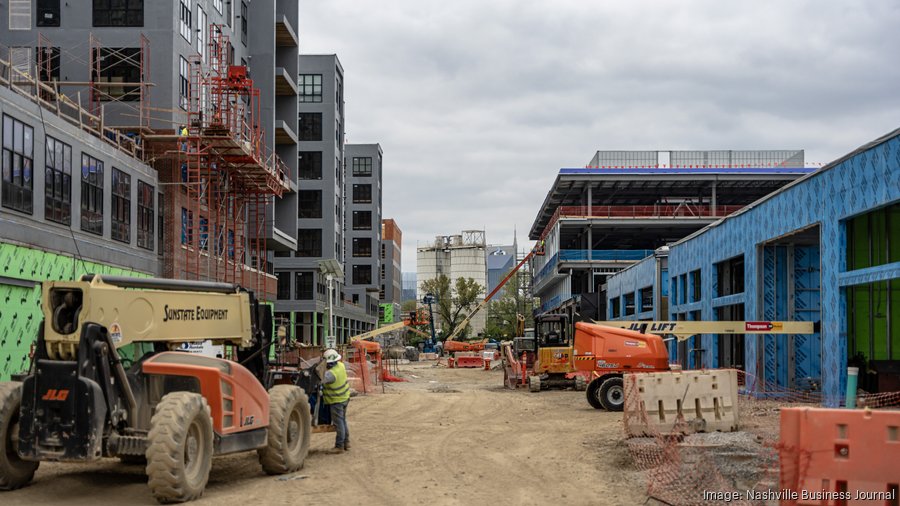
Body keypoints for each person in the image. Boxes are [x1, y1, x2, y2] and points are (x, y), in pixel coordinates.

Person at [322, 348, 350, 453]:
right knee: (343, 421)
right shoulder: (341, 366)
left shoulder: (331, 374)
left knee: (338, 423)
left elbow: (319, 380)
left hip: (336, 401)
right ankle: (346, 442)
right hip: (345, 397)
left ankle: (339, 446)